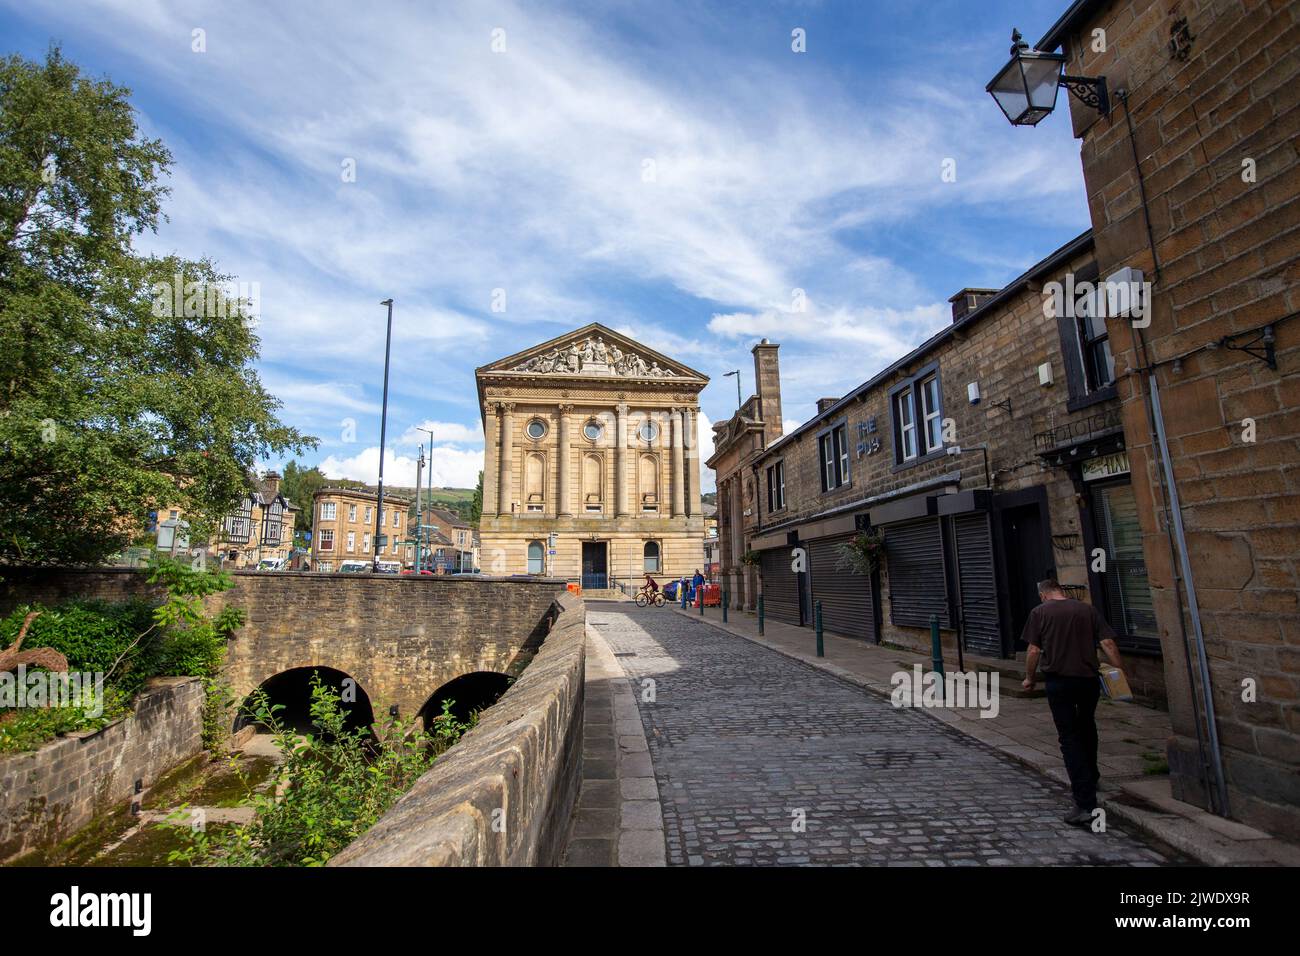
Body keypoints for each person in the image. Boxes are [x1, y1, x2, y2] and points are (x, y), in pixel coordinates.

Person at [1021, 578, 1125, 826]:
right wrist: (1119, 673)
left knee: (1069, 737)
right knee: (1087, 726)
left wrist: (1029, 678)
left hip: (1059, 682)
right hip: (1088, 681)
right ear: (1060, 591)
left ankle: (1085, 803)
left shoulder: (1039, 612)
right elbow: (1108, 643)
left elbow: (1033, 650)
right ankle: (1093, 775)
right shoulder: (1086, 609)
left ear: (1043, 594)